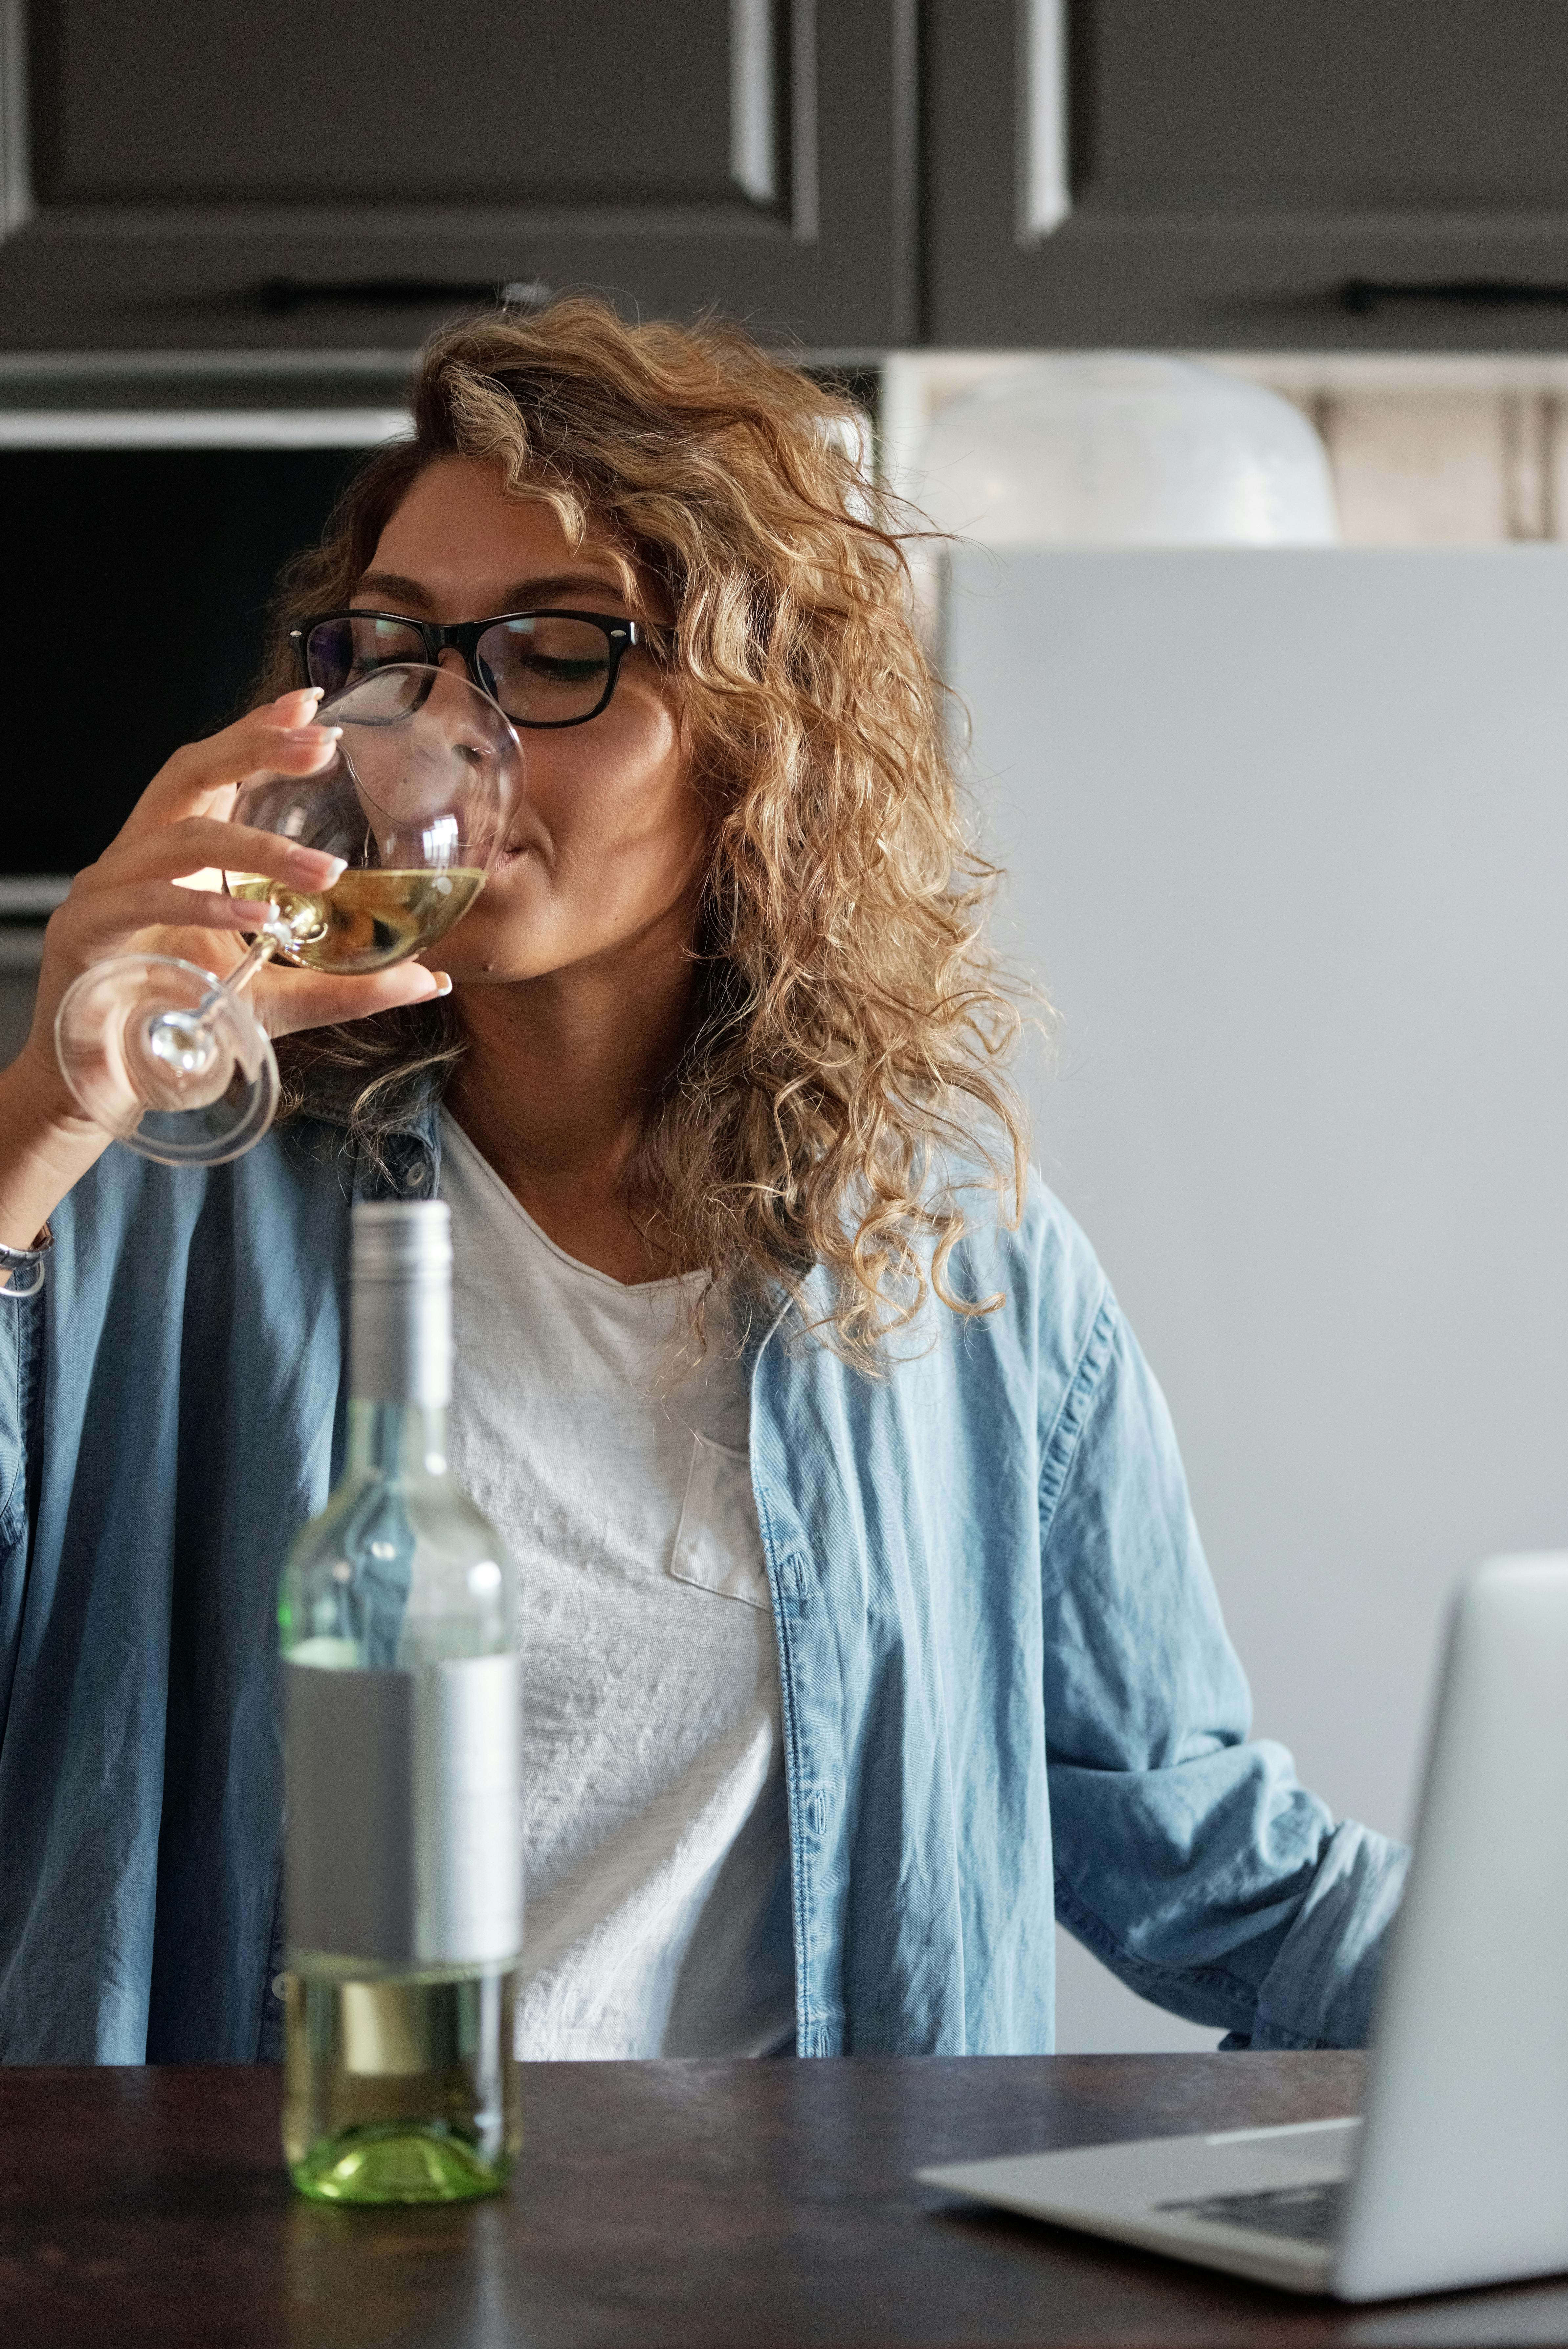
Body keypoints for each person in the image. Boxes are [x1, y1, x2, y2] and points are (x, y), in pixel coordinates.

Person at [0, 300, 1404, 2065]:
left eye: (558, 650)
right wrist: (33, 1127)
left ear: (760, 743)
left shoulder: (952, 1252)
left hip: (790, 2282)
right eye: (400, 649)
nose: (443, 730)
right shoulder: (162, 1184)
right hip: (262, 2260)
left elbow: (1214, 1872)